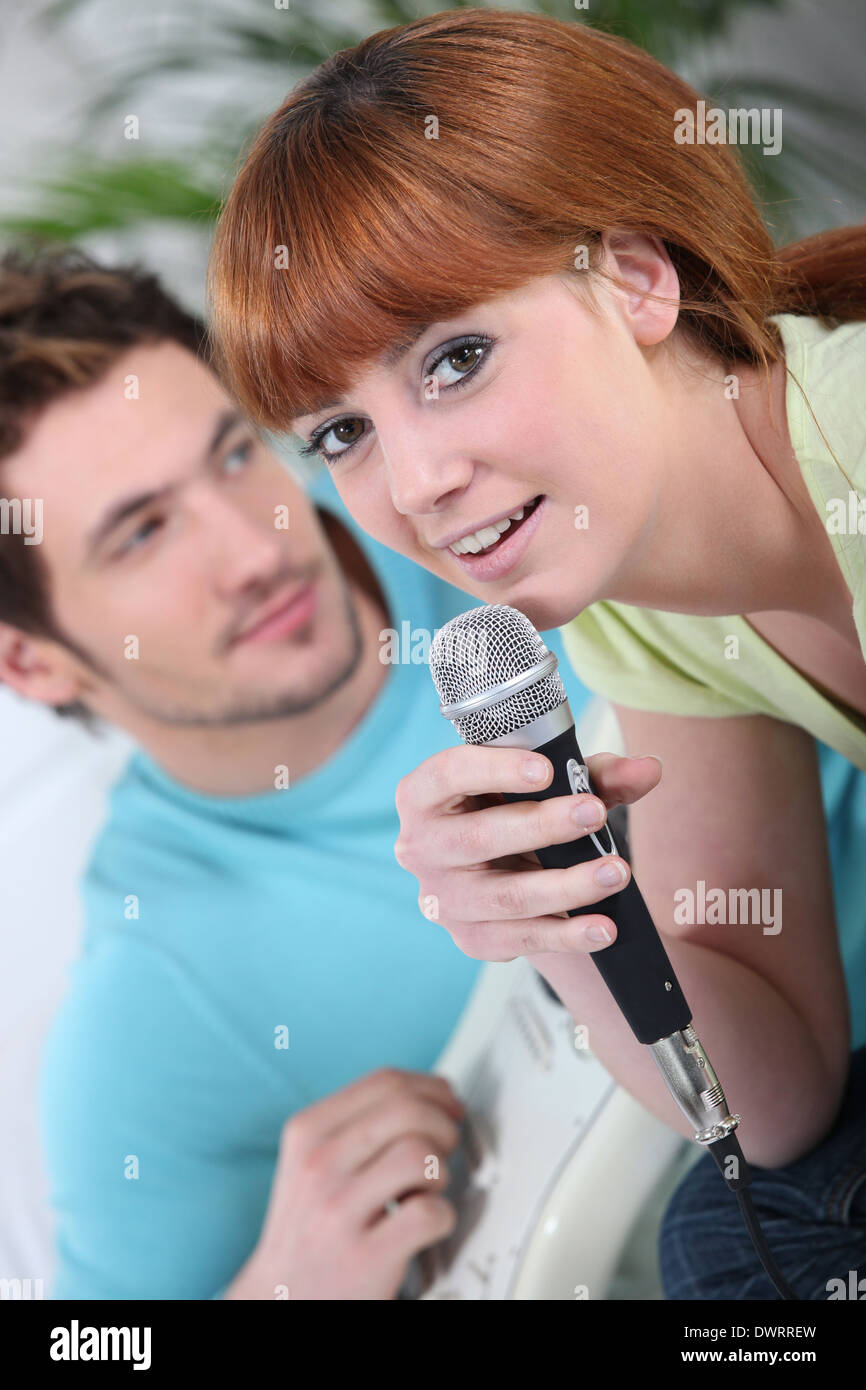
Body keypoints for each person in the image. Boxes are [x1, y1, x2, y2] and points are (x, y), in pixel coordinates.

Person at [205, 10, 866, 1298]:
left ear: (633, 278)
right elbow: (774, 1098)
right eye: (339, 432)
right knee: (732, 1236)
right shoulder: (633, 592)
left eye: (454, 359)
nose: (414, 481)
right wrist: (554, 906)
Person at [0, 244, 635, 1300]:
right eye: (144, 532)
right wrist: (279, 1290)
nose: (258, 546)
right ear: (31, 659)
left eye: (234, 456)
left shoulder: (487, 484)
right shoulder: (160, 1016)